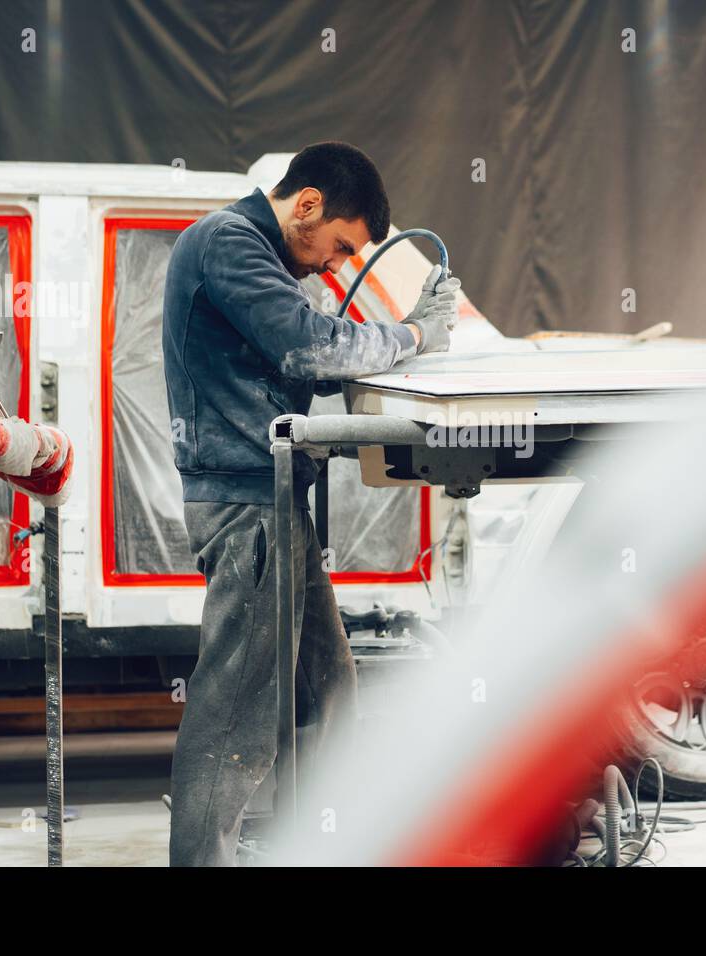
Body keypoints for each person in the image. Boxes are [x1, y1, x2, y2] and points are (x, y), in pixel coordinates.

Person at [161, 141, 461, 865]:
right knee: (235, 713)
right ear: (308, 206)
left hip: (272, 504)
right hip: (245, 508)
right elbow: (312, 350)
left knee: (327, 688)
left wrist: (394, 338)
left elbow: (311, 365)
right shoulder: (227, 243)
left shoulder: (265, 258)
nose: (339, 264)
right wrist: (417, 332)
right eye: (342, 246)